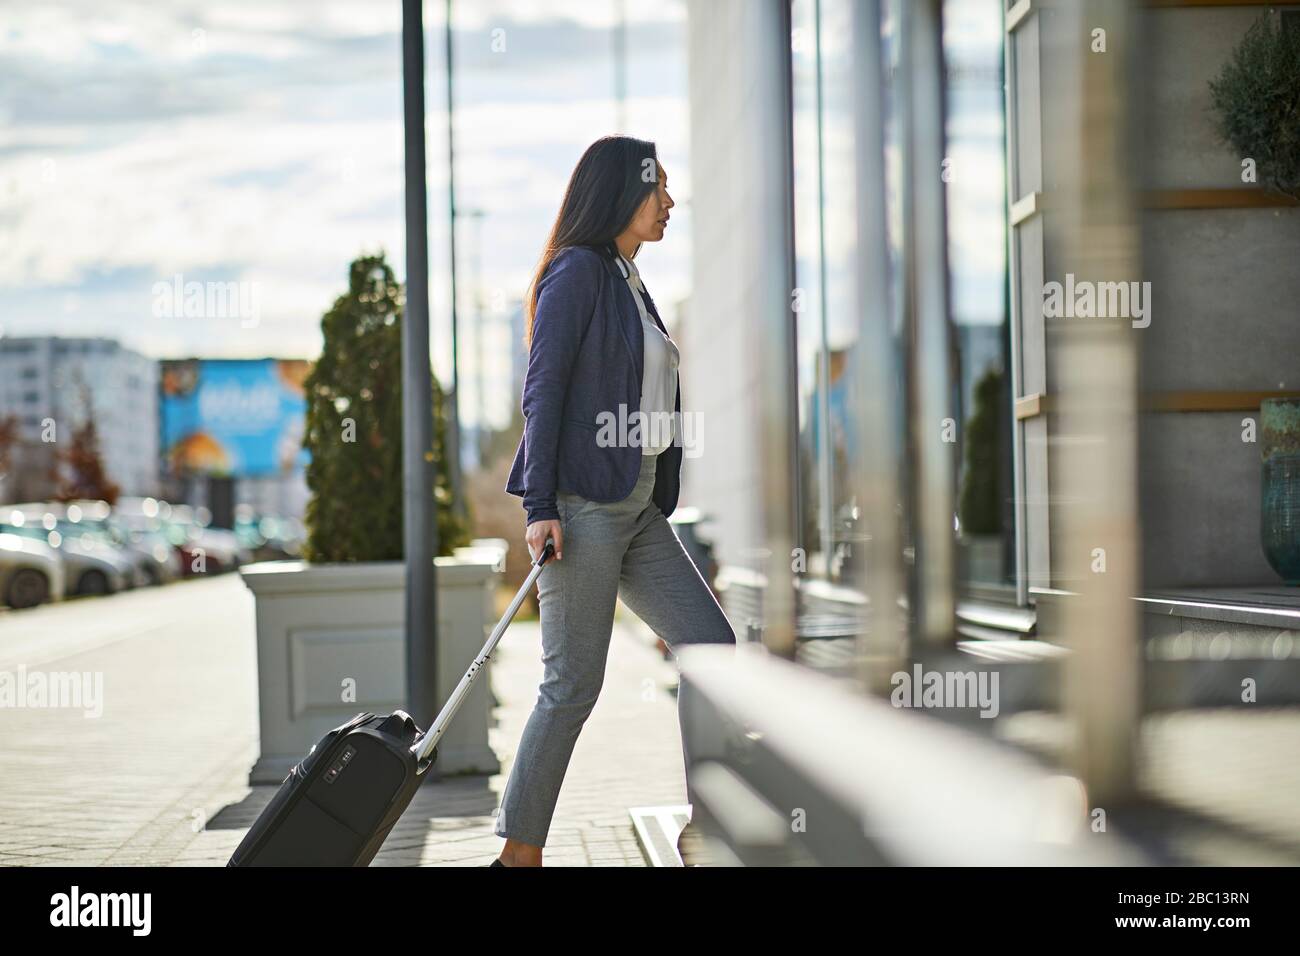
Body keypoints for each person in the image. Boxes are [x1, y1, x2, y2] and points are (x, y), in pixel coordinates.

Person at [492, 135, 737, 867]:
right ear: (614, 194)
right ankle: (517, 856)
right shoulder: (577, 273)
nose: (670, 201)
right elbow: (544, 389)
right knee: (571, 686)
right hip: (584, 506)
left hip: (639, 511)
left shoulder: (629, 279)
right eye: (656, 187)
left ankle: (707, 825)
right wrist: (540, 506)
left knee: (714, 652)